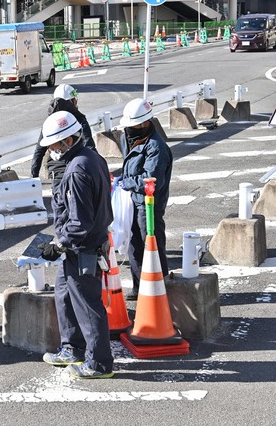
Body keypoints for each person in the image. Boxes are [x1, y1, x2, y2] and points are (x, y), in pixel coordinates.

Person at [37, 110, 114, 379]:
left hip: (82, 248)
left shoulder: (77, 169)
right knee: (64, 295)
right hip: (79, 246)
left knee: (87, 306)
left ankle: (99, 364)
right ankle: (72, 348)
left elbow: (80, 220)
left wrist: (60, 243)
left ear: (68, 141)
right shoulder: (92, 157)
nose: (51, 151)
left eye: (54, 145)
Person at [118, 98, 173, 300]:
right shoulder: (129, 138)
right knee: (134, 245)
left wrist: (128, 182)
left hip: (149, 205)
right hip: (132, 201)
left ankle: (161, 289)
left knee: (152, 246)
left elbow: (151, 180)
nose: (129, 130)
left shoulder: (156, 147)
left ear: (145, 123)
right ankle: (139, 288)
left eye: (133, 126)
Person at [30, 84, 94, 193]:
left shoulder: (50, 122)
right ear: (72, 101)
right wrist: (97, 168)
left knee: (59, 200)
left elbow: (39, 151)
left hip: (57, 173)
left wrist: (33, 177)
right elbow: (89, 146)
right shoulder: (78, 119)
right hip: (78, 170)